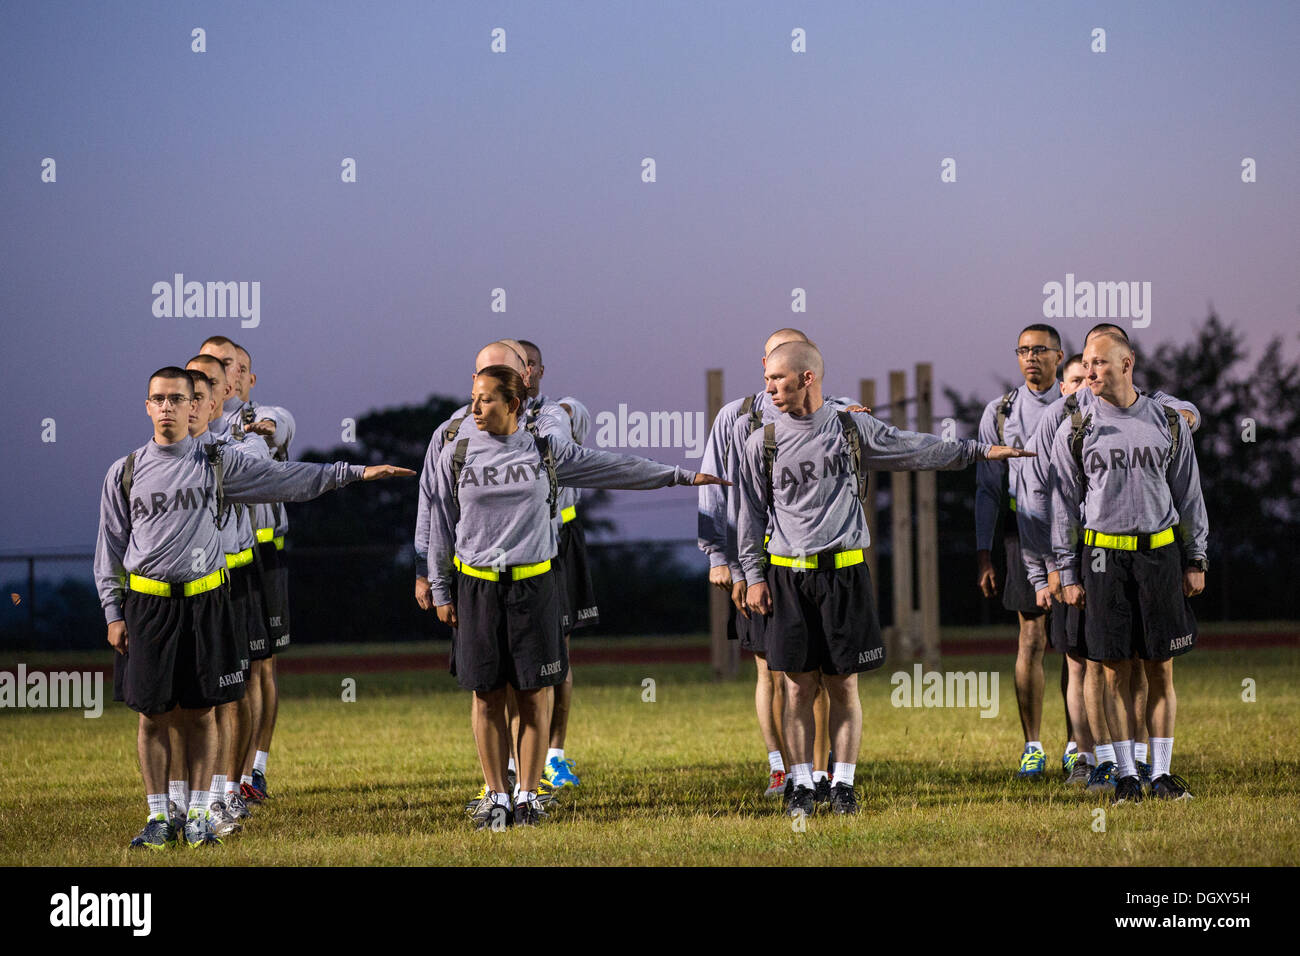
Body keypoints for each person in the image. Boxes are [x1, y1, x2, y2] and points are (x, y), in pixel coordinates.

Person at [97, 367, 413, 849]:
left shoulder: (217, 463)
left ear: (193, 406)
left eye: (176, 399)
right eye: (157, 399)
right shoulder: (125, 471)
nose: (166, 408)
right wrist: (113, 612)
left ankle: (200, 814)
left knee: (202, 713)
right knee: (152, 716)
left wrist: (356, 473)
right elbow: (110, 549)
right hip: (148, 607)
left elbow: (287, 479)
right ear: (147, 407)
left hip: (206, 601)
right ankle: (160, 817)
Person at [738, 342, 1032, 816]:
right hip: (788, 577)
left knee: (843, 687)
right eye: (767, 379)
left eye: (777, 378)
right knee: (795, 688)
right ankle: (800, 785)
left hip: (845, 573)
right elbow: (749, 517)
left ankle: (844, 784)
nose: (768, 388)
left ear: (807, 378)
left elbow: (916, 447)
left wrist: (978, 451)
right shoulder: (762, 441)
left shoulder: (852, 429)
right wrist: (753, 576)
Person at [427, 365, 727, 828]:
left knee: (533, 694)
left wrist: (681, 476)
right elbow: (442, 525)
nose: (475, 408)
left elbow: (617, 467)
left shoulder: (546, 450)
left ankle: (527, 797)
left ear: (514, 404)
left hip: (536, 584)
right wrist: (442, 587)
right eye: (473, 397)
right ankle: (496, 796)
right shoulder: (458, 451)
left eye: (486, 399)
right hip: (477, 586)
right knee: (486, 697)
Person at [1017, 324, 1200, 790]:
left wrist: (1195, 558)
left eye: (1100, 361)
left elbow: (1190, 495)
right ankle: (1123, 775)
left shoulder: (1168, 421)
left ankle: (1159, 773)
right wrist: (1066, 570)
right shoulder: (1075, 426)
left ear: (1126, 362)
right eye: (1087, 362)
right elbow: (1060, 504)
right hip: (1102, 559)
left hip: (1159, 555)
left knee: (1160, 668)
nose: (1091, 370)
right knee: (1115, 671)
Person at [699, 328, 835, 800]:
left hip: (810, 564)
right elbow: (714, 486)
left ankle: (819, 771)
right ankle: (780, 765)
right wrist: (723, 559)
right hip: (756, 561)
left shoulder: (829, 413)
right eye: (770, 360)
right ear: (763, 363)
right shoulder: (736, 416)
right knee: (768, 670)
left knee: (815, 673)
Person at [974, 324, 1067, 778]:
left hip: (1075, 531)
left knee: (1077, 644)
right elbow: (988, 490)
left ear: (1060, 356)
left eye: (1040, 350)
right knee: (1032, 639)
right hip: (1022, 532)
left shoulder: (1079, 402)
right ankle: (1033, 745)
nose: (1031, 358)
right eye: (1023, 351)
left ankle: (1079, 745)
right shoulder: (1000, 412)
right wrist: (984, 554)